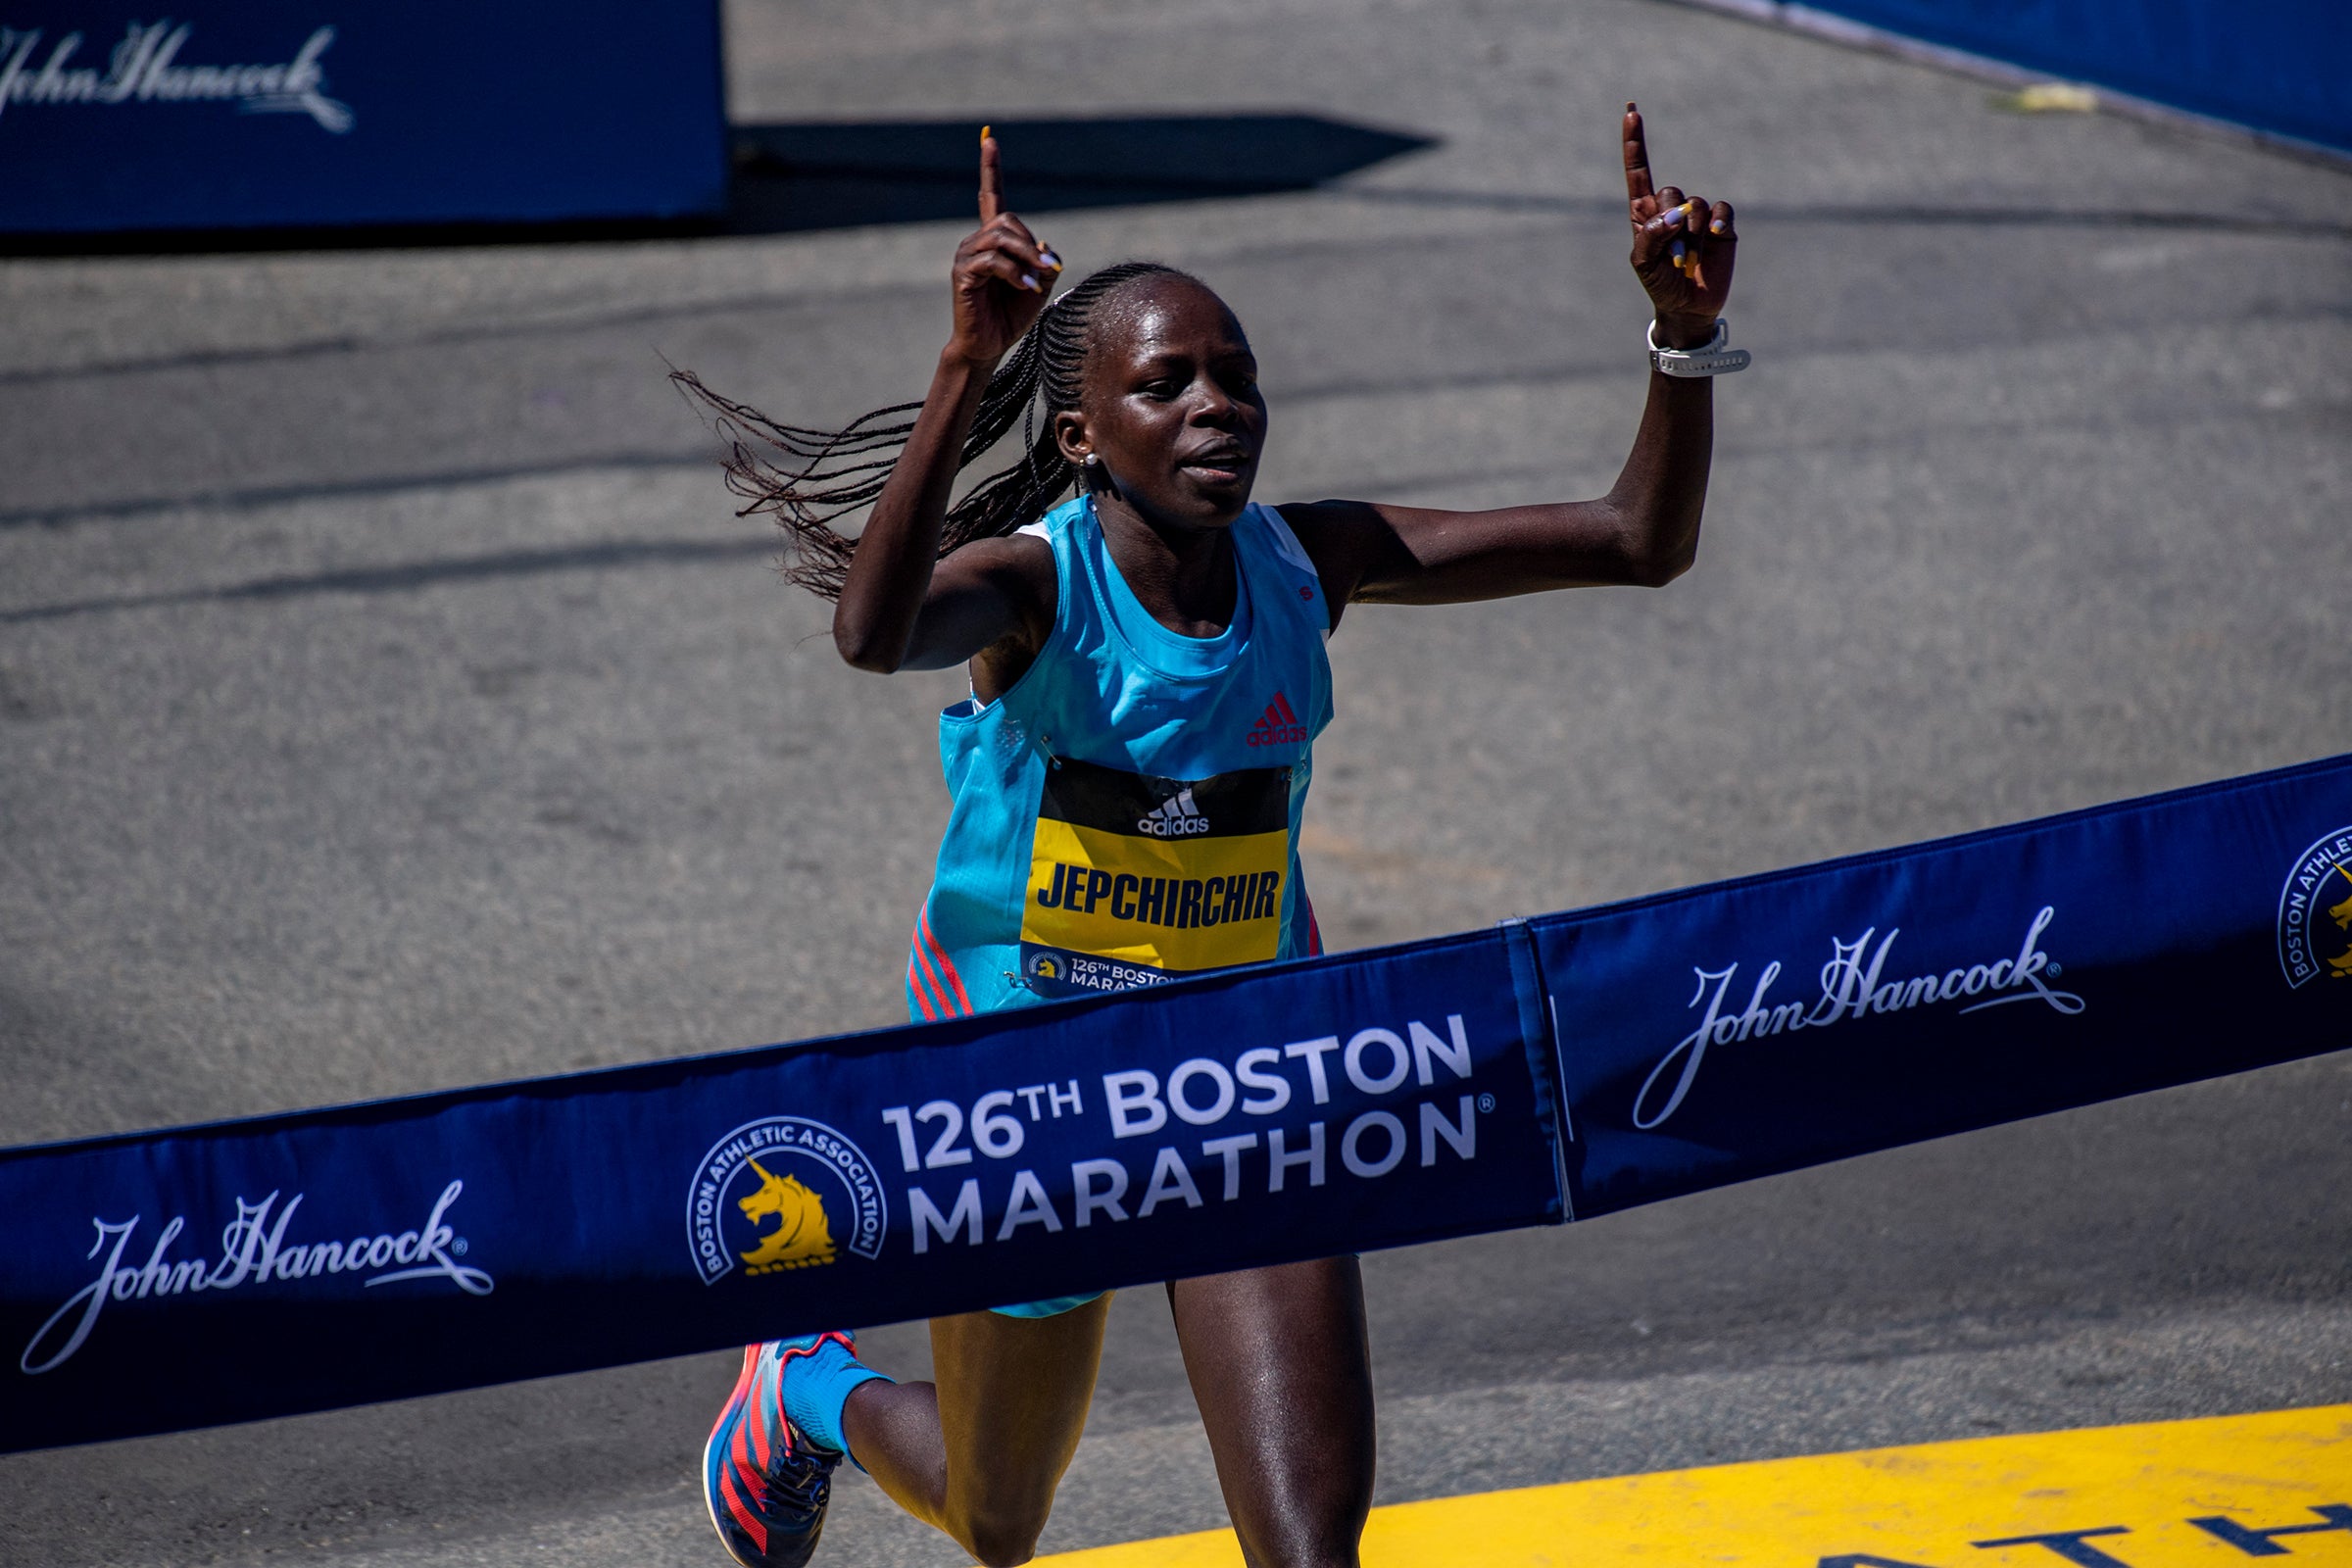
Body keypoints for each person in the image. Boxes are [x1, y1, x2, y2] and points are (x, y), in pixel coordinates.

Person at [674, 104, 1740, 1568]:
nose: (1216, 406)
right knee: (994, 1517)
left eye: (1236, 378)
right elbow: (874, 632)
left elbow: (1638, 541)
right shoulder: (1035, 590)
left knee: (1309, 1553)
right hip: (1027, 1088)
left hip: (1248, 1070)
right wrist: (962, 365)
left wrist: (1683, 337)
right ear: (1083, 435)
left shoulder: (1311, 562)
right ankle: (802, 1388)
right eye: (1166, 383)